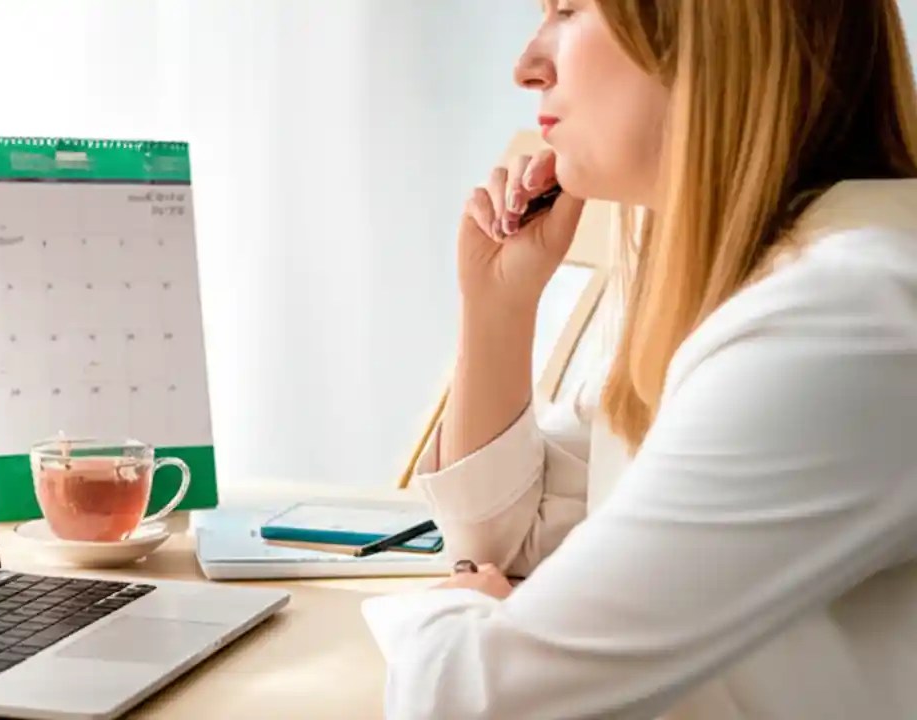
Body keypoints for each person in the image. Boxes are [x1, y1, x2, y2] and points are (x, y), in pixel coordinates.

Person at [361, 1, 917, 718]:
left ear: (705, 36)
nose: (528, 65)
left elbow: (476, 702)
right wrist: (498, 308)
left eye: (568, 9)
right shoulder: (760, 278)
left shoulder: (840, 322)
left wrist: (444, 618)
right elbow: (514, 538)